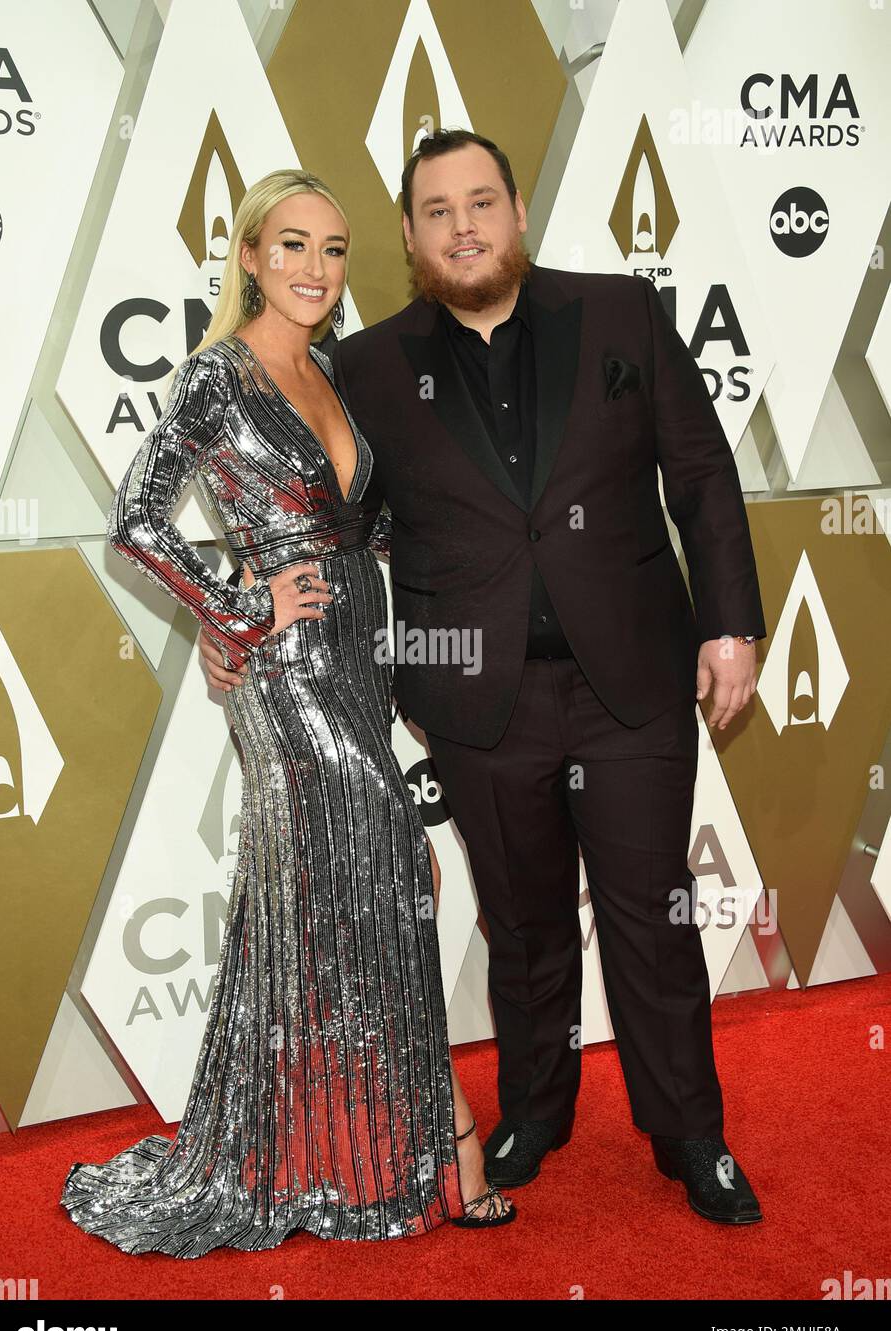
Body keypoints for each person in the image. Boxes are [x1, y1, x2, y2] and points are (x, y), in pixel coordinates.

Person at [201, 130, 767, 1226]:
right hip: (474, 696)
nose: (462, 226)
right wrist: (235, 615)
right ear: (410, 236)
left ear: (516, 211)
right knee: (524, 924)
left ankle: (692, 1133)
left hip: (633, 682)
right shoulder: (361, 366)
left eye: (480, 203)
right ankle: (535, 1111)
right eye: (435, 211)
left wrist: (731, 626)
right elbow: (311, 519)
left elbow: (699, 469)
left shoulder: (617, 312)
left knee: (653, 916)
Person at [59, 169, 515, 1259]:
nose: (315, 268)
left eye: (336, 249)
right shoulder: (217, 377)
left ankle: (300, 1141)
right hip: (285, 671)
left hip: (357, 657)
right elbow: (136, 520)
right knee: (403, 868)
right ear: (253, 255)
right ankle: (439, 1134)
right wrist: (236, 605)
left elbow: (371, 523)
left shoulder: (334, 374)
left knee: (328, 899)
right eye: (293, 245)